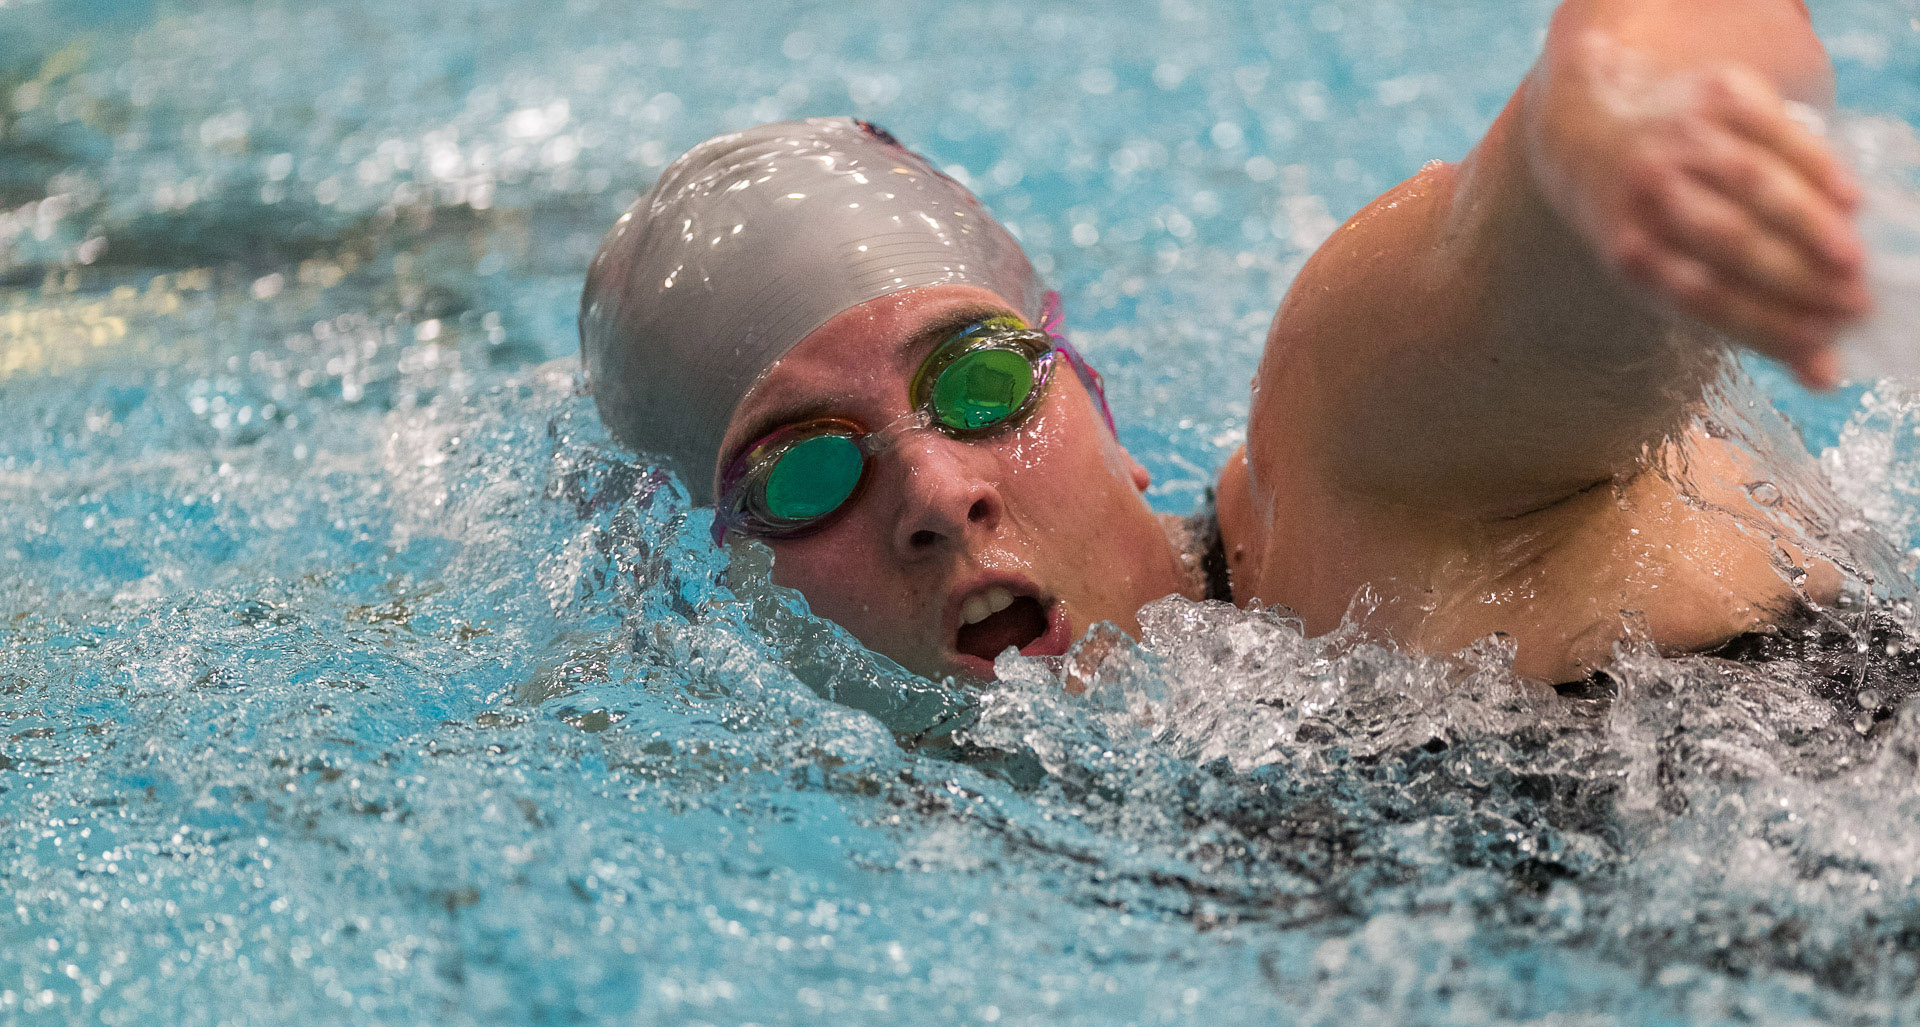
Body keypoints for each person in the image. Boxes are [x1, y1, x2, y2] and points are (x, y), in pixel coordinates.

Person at [580, 0, 1878, 686]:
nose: (937, 493)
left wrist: (1618, 125)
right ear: (741, 583)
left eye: (979, 385)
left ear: (1097, 404)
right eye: (808, 471)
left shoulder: (1369, 467)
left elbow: (1691, 38)